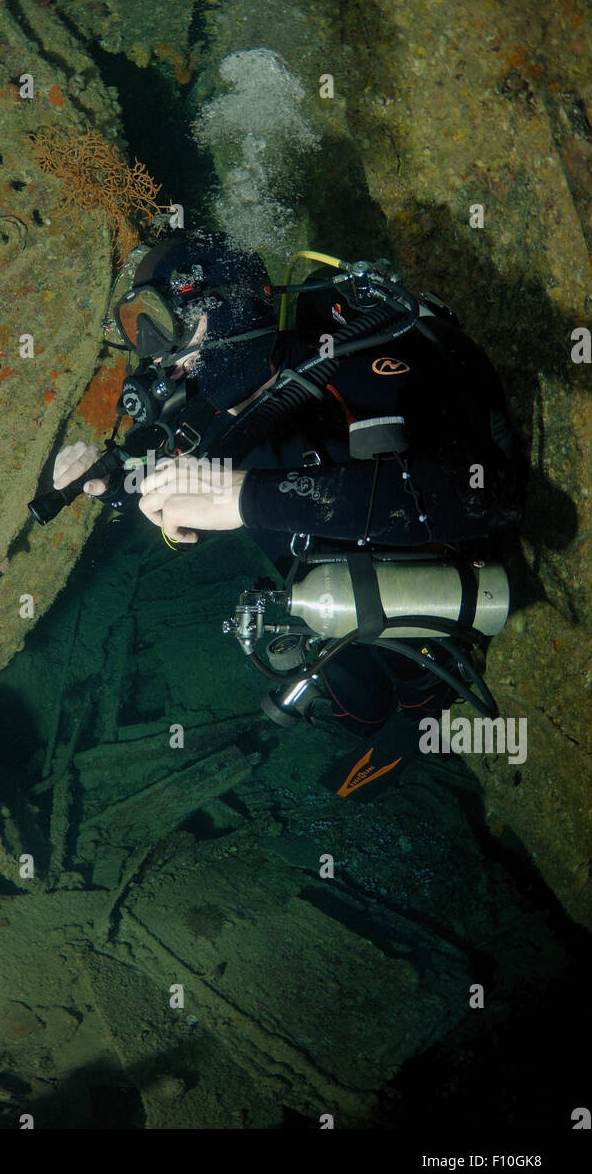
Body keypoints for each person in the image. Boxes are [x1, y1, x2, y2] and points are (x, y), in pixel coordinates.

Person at [53, 231, 522, 800]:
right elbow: (169, 475)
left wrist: (247, 496)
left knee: (416, 689)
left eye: (173, 331)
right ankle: (361, 709)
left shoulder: (357, 364)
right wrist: (114, 484)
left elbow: (489, 496)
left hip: (421, 580)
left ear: (228, 313)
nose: (166, 363)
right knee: (355, 708)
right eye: (143, 335)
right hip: (322, 584)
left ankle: (427, 720)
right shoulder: (214, 399)